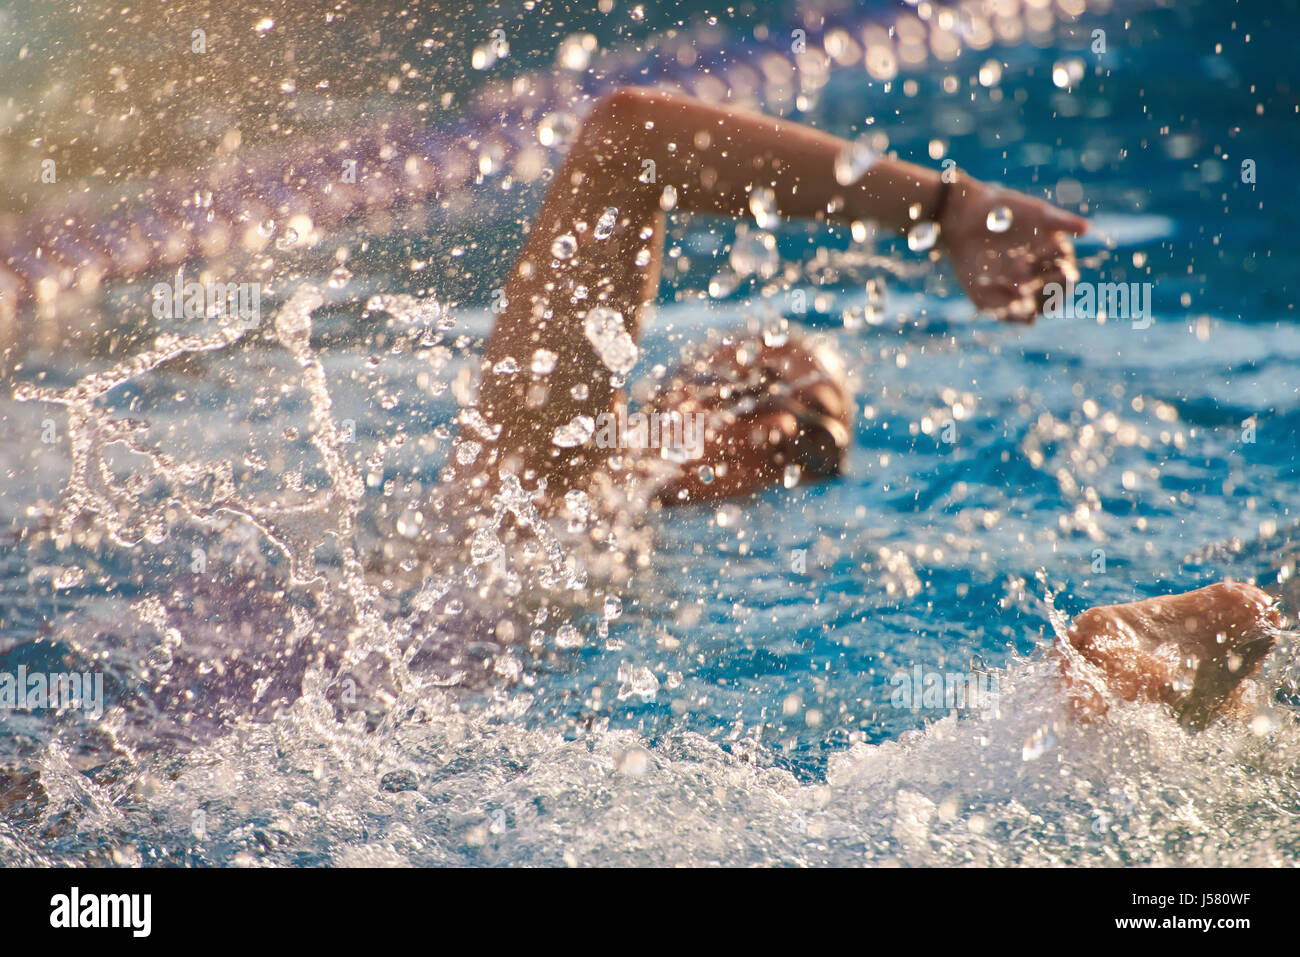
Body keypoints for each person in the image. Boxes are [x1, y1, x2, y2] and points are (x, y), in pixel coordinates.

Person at [464, 86, 1283, 730]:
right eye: (742, 385)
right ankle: (1143, 688)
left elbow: (627, 140)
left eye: (805, 441)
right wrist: (943, 213)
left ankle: (1130, 684)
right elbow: (632, 141)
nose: (772, 431)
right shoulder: (569, 518)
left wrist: (946, 209)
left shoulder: (539, 488)